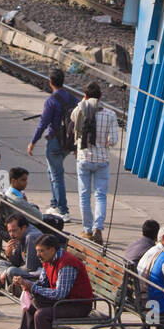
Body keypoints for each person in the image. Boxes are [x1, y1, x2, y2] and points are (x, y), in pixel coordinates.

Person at [12, 234, 94, 329]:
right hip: (64, 301)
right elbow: (43, 283)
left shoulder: (66, 264)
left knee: (41, 315)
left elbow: (60, 294)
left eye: (41, 251)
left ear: (52, 250)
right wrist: (27, 285)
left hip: (78, 305)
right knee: (30, 307)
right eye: (37, 251)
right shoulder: (48, 260)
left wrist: (32, 287)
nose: (38, 255)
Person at [27, 68, 80, 222]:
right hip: (68, 142)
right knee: (52, 171)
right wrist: (76, 145)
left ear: (50, 82)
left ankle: (63, 210)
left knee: (56, 175)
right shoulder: (73, 99)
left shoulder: (51, 101)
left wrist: (33, 142)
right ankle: (54, 204)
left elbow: (42, 124)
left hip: (55, 142)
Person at [73, 82, 119, 245]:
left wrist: (82, 102)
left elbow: (73, 119)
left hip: (84, 158)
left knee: (84, 195)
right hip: (102, 161)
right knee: (100, 196)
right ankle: (98, 228)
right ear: (101, 96)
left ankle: (87, 229)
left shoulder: (80, 110)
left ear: (85, 97)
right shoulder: (110, 115)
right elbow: (113, 141)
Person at [0, 214, 42, 290]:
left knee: (11, 271)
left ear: (24, 228)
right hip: (25, 268)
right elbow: (17, 262)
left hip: (37, 273)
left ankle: (7, 282)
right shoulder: (19, 236)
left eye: (14, 230)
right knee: (0, 263)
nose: (11, 234)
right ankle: (8, 282)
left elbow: (31, 268)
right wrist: (9, 255)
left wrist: (6, 272)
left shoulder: (31, 237)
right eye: (9, 231)